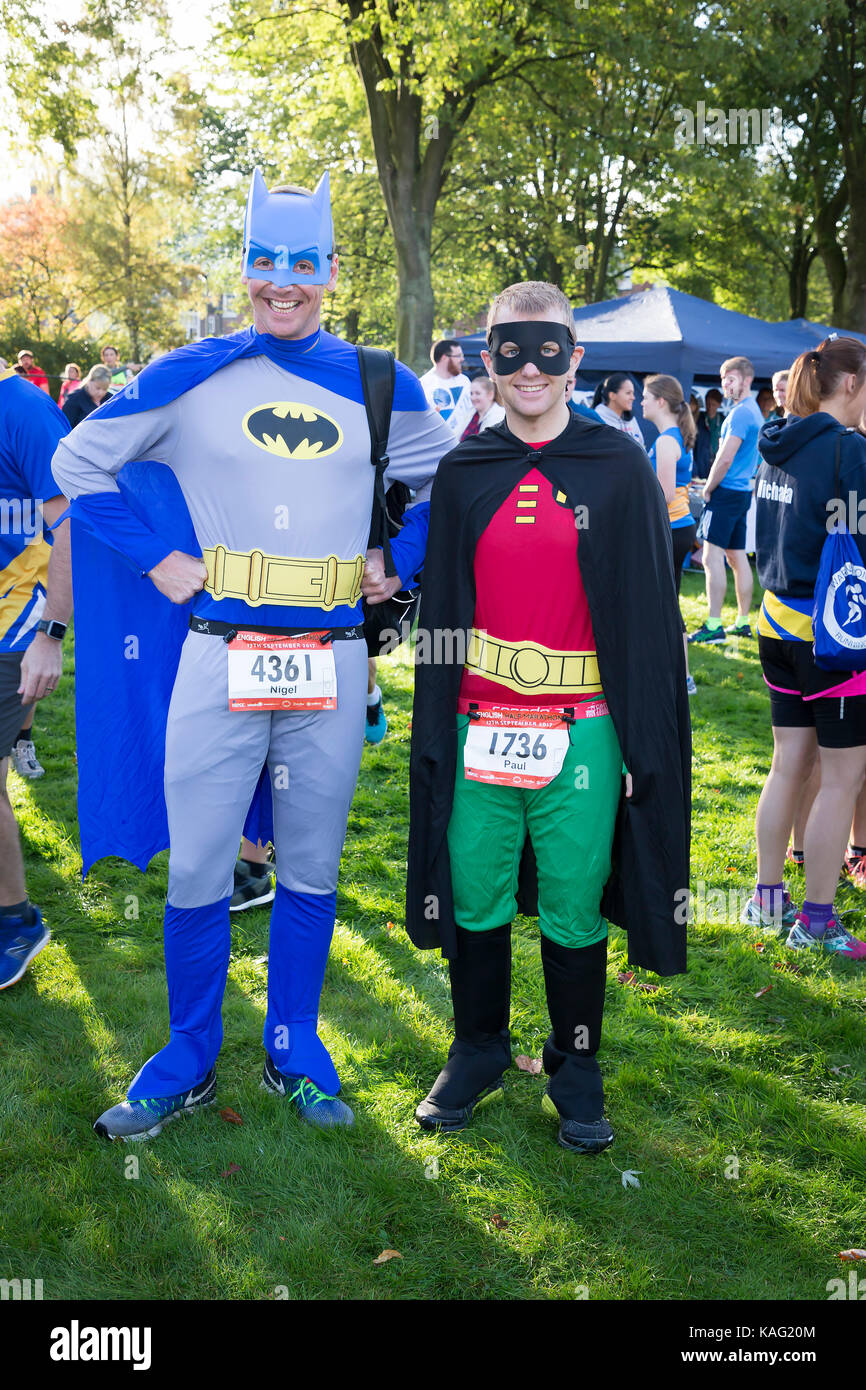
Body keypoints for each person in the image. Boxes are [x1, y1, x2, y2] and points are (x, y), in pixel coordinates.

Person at [51, 167, 454, 1140]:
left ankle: (293, 1046)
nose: (284, 281)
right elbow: (78, 462)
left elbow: (447, 480)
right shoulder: (194, 375)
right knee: (197, 869)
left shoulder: (378, 382)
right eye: (265, 262)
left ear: (330, 270)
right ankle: (185, 1056)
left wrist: (394, 559)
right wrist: (158, 560)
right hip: (218, 652)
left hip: (330, 655)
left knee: (310, 864)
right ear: (243, 269)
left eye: (302, 263)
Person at [406, 280, 690, 1154]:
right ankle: (479, 1047)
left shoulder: (619, 468)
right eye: (511, 351)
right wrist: (435, 730)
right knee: (477, 892)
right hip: (477, 723)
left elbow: (648, 616)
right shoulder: (465, 470)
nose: (530, 369)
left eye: (549, 351)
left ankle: (575, 1065)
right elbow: (441, 607)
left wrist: (646, 739)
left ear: (576, 360)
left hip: (586, 729)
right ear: (489, 359)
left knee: (572, 903)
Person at [748, 336, 866, 957]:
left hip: (774, 624)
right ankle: (816, 921)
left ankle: (767, 899)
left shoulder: (778, 437)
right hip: (833, 638)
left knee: (789, 762)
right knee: (844, 777)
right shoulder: (849, 451)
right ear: (850, 384)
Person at [0, 365, 72, 989]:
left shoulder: (23, 409)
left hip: (11, 624)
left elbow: (70, 526)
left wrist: (50, 634)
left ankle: (16, 922)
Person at [689, 357, 763, 644]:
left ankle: (714, 625)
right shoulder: (753, 411)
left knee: (711, 557)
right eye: (723, 380)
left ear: (745, 380)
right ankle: (743, 622)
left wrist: (709, 487)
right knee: (736, 556)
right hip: (742, 492)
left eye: (730, 379)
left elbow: (725, 456)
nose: (725, 385)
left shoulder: (741, 414)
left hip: (727, 492)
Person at [642, 374, 698, 696]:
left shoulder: (666, 440)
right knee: (667, 602)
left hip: (672, 529)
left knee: (664, 603)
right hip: (678, 527)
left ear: (661, 401)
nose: (642, 402)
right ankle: (678, 674)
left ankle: (681, 676)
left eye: (646, 396)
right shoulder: (673, 435)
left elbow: (662, 494)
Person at [419, 340, 472, 434]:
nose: (462, 359)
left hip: (466, 444)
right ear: (444, 358)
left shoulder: (464, 381)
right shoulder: (424, 384)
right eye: (458, 355)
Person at [590, 372, 645, 449]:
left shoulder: (631, 419)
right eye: (628, 393)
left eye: (633, 393)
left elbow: (642, 447)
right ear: (612, 395)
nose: (633, 397)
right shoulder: (597, 419)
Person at [459, 374, 505, 440]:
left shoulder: (499, 416)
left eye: (477, 393)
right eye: (471, 393)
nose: (473, 397)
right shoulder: (471, 412)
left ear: (490, 395)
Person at [693, 387, 723, 478]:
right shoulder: (698, 418)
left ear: (719, 404)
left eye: (713, 404)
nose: (710, 407)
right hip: (700, 462)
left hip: (717, 462)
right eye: (708, 404)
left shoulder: (724, 421)